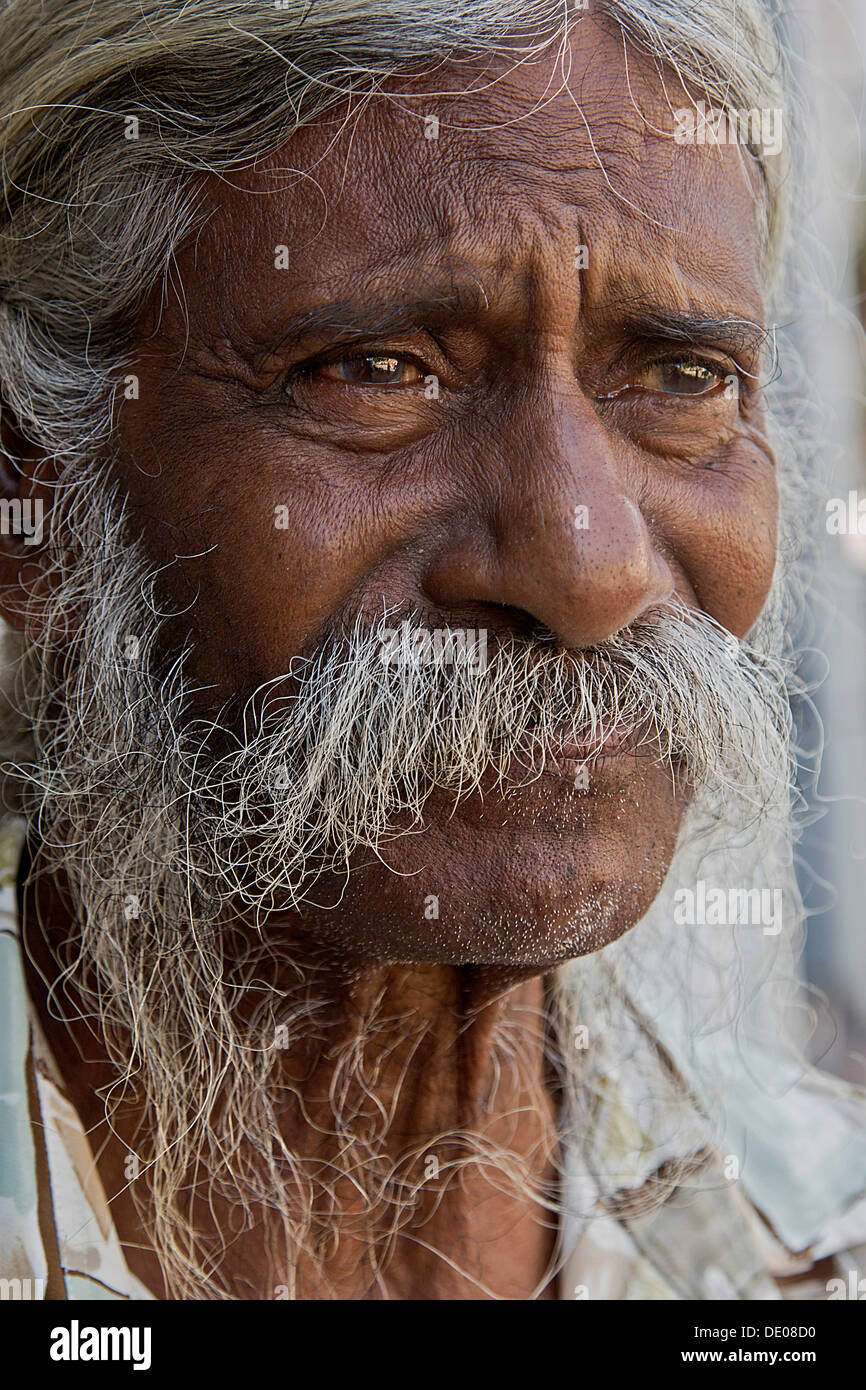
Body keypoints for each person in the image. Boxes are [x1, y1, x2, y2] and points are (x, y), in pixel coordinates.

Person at [0, 0, 863, 1301]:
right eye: (377, 370)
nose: (586, 573)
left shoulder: (810, 1239)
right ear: (33, 488)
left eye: (681, 378)